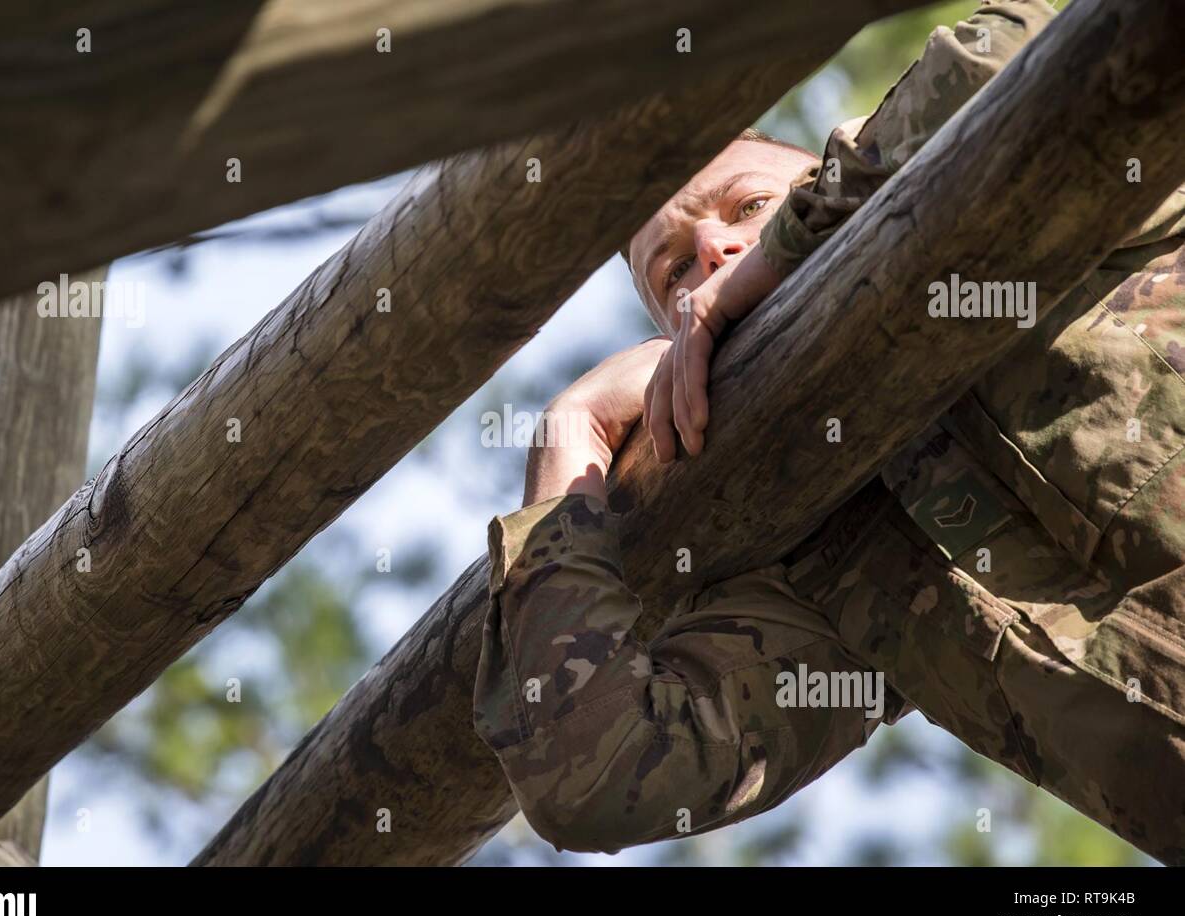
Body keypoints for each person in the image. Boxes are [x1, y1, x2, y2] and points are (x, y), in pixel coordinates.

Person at [472, 0, 1185, 862]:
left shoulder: (1054, 205)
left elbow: (1024, 45)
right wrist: (570, 432)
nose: (713, 252)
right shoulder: (821, 569)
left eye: (746, 206)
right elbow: (597, 784)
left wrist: (791, 247)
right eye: (673, 273)